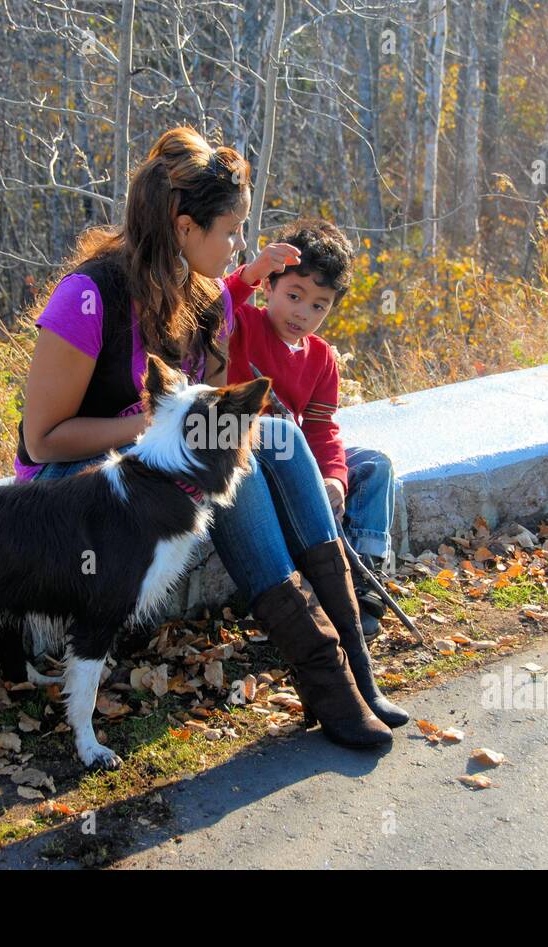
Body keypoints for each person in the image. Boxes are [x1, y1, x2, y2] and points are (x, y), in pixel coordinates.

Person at [13, 126, 401, 747]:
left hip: (162, 466)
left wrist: (241, 433)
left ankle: (348, 670)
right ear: (184, 225)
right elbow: (42, 442)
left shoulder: (209, 300)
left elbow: (219, 415)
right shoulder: (87, 298)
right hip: (77, 488)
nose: (239, 245)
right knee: (240, 471)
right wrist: (156, 426)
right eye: (231, 229)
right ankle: (331, 679)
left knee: (275, 440)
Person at [222, 218, 404, 719]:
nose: (302, 314)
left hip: (307, 471)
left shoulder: (322, 359)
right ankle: (328, 619)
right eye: (294, 296)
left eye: (318, 306)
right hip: (260, 462)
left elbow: (324, 427)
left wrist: (334, 478)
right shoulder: (246, 328)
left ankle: (361, 588)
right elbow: (214, 308)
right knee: (282, 442)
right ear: (271, 289)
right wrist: (248, 273)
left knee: (375, 467)